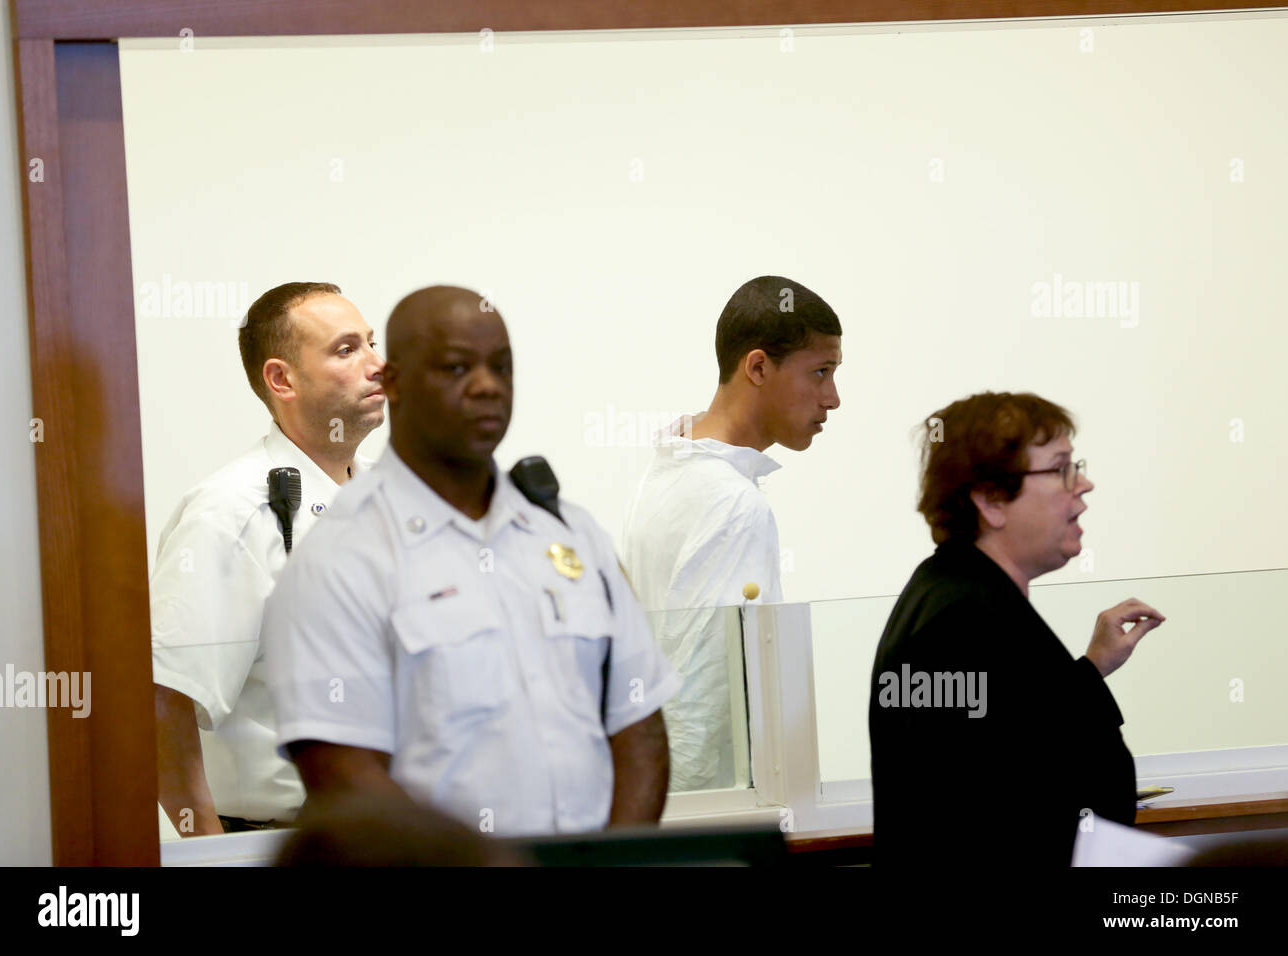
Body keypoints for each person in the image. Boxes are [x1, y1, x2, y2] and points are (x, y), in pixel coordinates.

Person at [262, 285, 681, 837]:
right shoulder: (338, 558)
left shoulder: (570, 533)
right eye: (457, 367)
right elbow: (346, 780)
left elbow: (640, 729)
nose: (486, 386)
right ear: (395, 384)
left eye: (501, 367)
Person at [869, 391, 1165, 867]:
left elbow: (1019, 738)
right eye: (1061, 468)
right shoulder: (962, 618)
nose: (1083, 484)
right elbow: (989, 817)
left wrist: (1089, 670)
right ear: (991, 500)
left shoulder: (958, 592)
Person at [152, 282, 385, 835]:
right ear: (282, 379)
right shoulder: (230, 510)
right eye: (347, 349)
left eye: (372, 343)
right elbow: (163, 704)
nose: (378, 364)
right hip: (282, 842)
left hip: (396, 836)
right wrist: (211, 855)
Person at [621, 275, 841, 790]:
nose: (832, 398)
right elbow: (700, 700)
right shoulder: (733, 504)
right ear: (759, 366)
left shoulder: (661, 476)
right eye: (821, 372)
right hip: (716, 814)